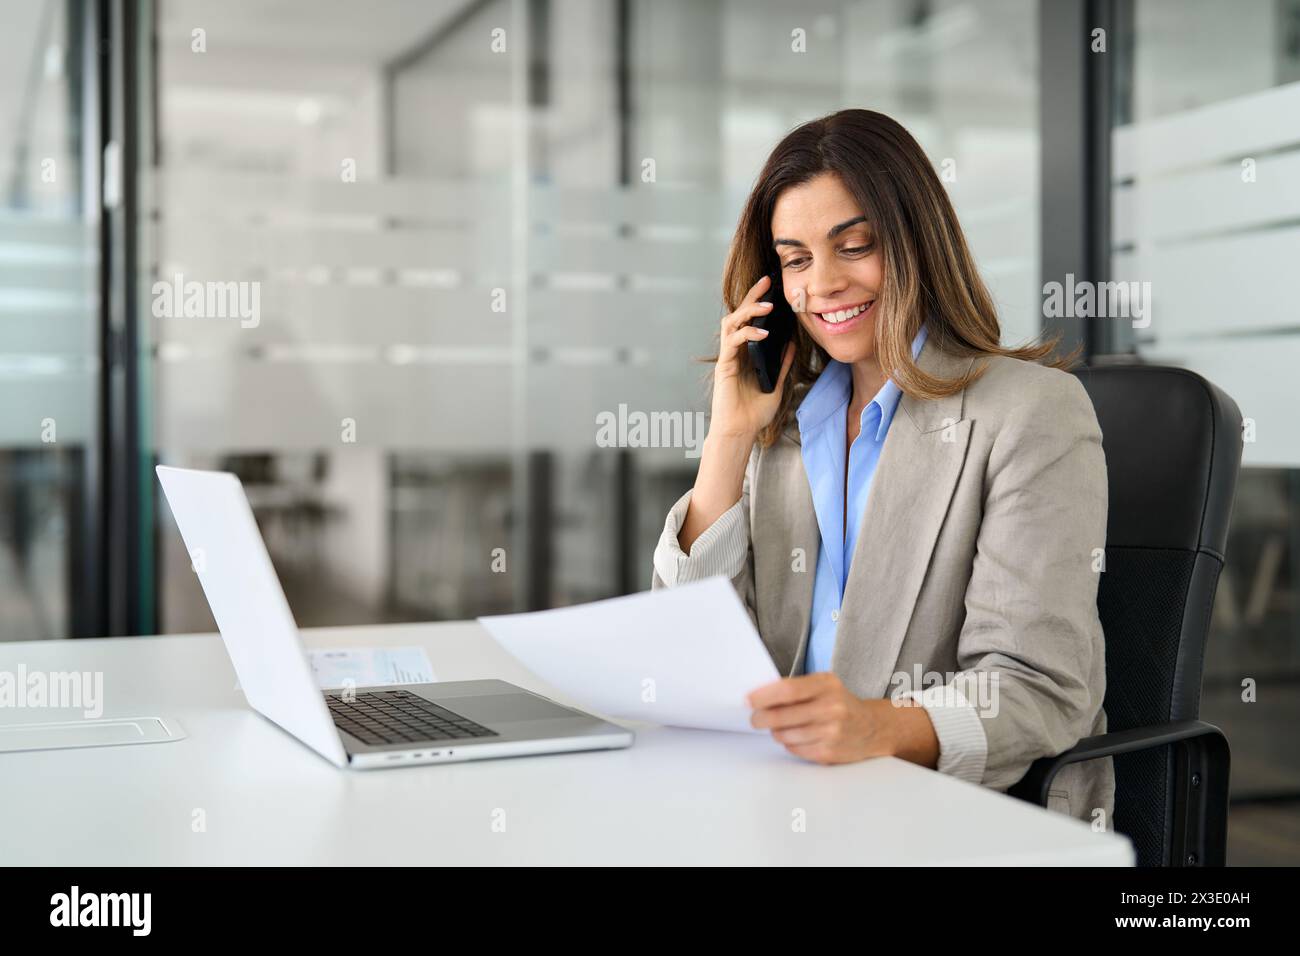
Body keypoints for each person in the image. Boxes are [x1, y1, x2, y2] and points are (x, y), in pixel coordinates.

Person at [651, 109, 1113, 824]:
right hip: (780, 803)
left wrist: (876, 728)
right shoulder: (782, 432)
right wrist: (727, 439)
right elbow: (691, 652)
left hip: (950, 812)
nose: (823, 283)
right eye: (796, 259)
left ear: (917, 242)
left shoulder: (1030, 414)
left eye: (855, 246)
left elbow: (1038, 690)